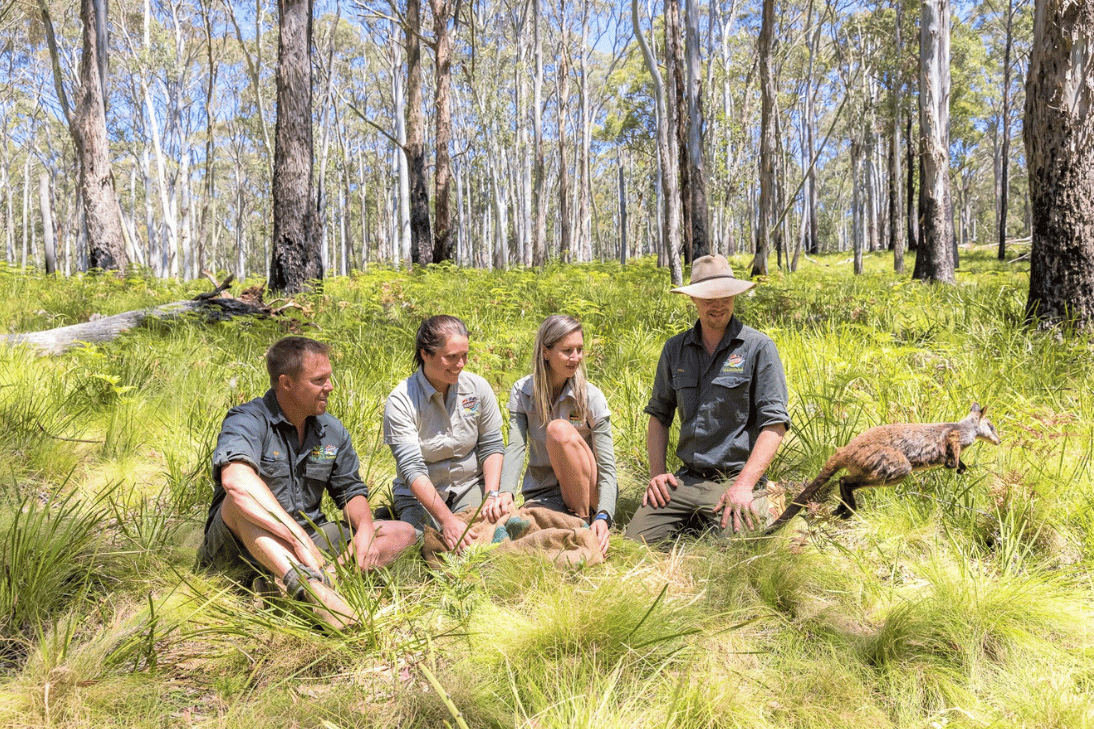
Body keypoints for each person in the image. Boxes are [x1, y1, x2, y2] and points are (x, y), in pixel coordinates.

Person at [197, 337, 415, 628]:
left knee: (403, 532)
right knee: (236, 504)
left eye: (329, 377)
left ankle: (306, 586)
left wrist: (363, 528)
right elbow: (236, 482)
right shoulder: (248, 419)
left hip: (309, 544)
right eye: (319, 380)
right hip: (243, 546)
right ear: (286, 383)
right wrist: (296, 538)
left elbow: (350, 492)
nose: (330, 387)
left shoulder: (331, 430)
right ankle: (314, 593)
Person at [625, 255, 791, 544]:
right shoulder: (675, 348)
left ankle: (766, 497)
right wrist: (657, 475)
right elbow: (658, 414)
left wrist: (744, 486)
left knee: (736, 551)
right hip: (686, 478)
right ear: (693, 300)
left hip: (735, 478)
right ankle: (696, 517)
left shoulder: (758, 348)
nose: (718, 304)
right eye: (708, 297)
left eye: (725, 296)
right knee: (634, 544)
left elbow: (775, 424)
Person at [496, 315, 617, 556]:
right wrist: (505, 492)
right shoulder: (523, 391)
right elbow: (516, 447)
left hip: (587, 494)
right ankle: (553, 523)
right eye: (567, 351)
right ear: (545, 352)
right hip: (542, 492)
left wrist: (604, 514)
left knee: (558, 430)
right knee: (516, 530)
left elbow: (608, 465)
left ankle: (582, 523)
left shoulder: (591, 396)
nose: (576, 358)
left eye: (580, 350)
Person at [383, 315, 505, 553]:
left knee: (487, 538)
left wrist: (491, 496)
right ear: (425, 354)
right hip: (422, 497)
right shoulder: (401, 401)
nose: (460, 364)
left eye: (464, 356)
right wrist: (447, 521)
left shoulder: (477, 388)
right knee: (423, 543)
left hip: (470, 486)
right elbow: (411, 469)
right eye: (451, 357)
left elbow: (492, 445)